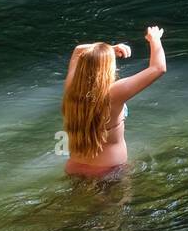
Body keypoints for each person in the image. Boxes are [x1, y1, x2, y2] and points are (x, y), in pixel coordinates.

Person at [62, 26, 166, 177]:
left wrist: (108, 49)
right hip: (108, 172)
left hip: (74, 167)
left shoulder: (71, 87)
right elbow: (158, 68)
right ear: (106, 69)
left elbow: (79, 50)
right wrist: (154, 39)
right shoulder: (112, 94)